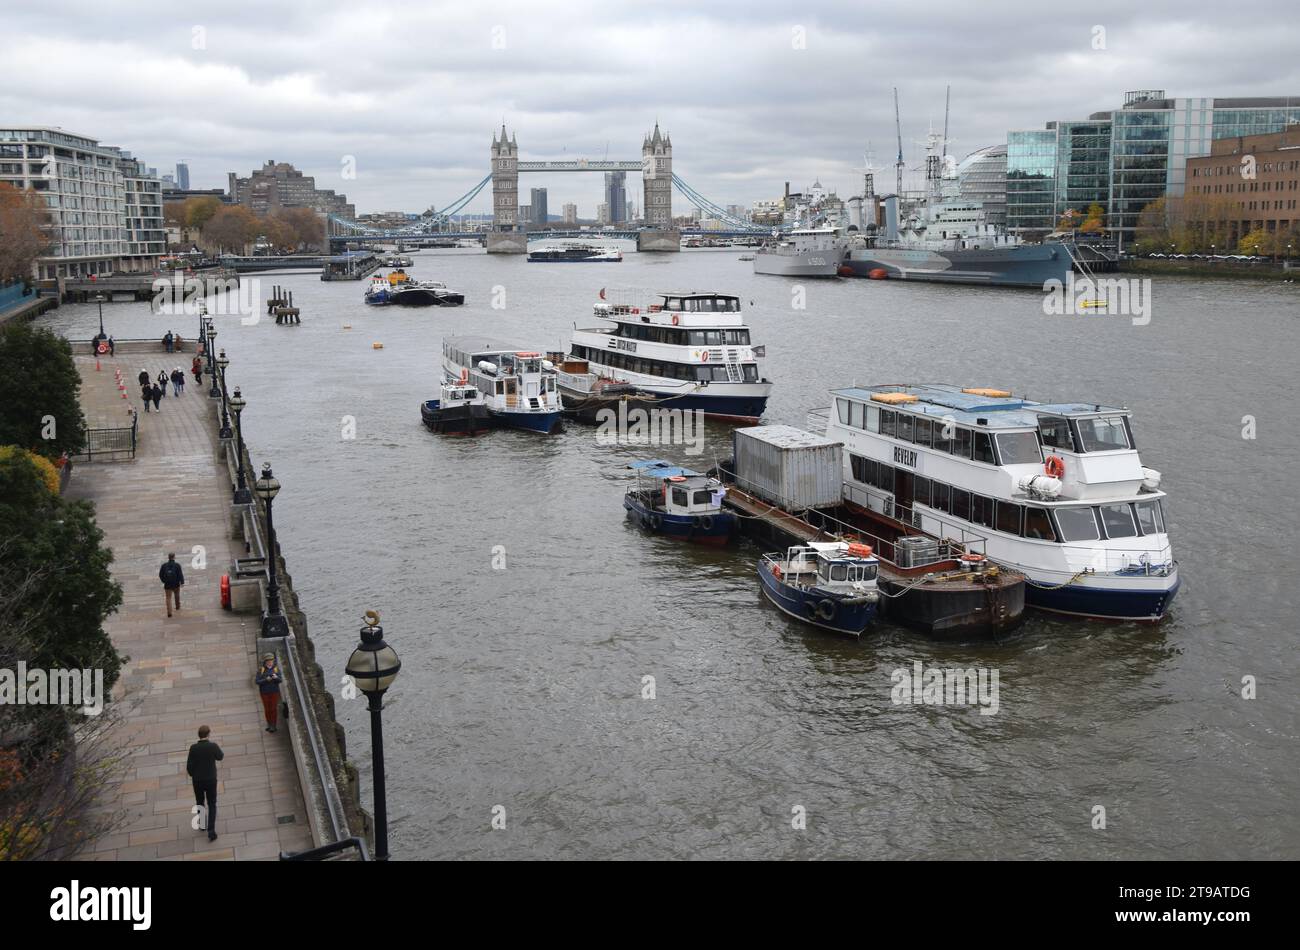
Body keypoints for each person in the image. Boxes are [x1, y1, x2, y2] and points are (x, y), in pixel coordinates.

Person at [185, 725, 224, 842]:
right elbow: (220, 756)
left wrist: (194, 775)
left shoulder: (193, 748)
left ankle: (202, 824)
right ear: (208, 734)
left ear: (199, 735)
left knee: (200, 801)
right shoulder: (212, 746)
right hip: (210, 779)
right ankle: (211, 830)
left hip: (198, 781)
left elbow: (189, 766)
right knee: (212, 803)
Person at [255, 654, 283, 733]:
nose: (270, 662)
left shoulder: (277, 669)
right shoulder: (261, 670)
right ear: (265, 662)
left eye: (271, 661)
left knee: (273, 708)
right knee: (267, 709)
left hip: (274, 692)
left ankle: (273, 725)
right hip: (264, 693)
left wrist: (276, 677)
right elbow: (257, 681)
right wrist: (266, 680)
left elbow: (280, 680)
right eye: (268, 661)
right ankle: (269, 724)